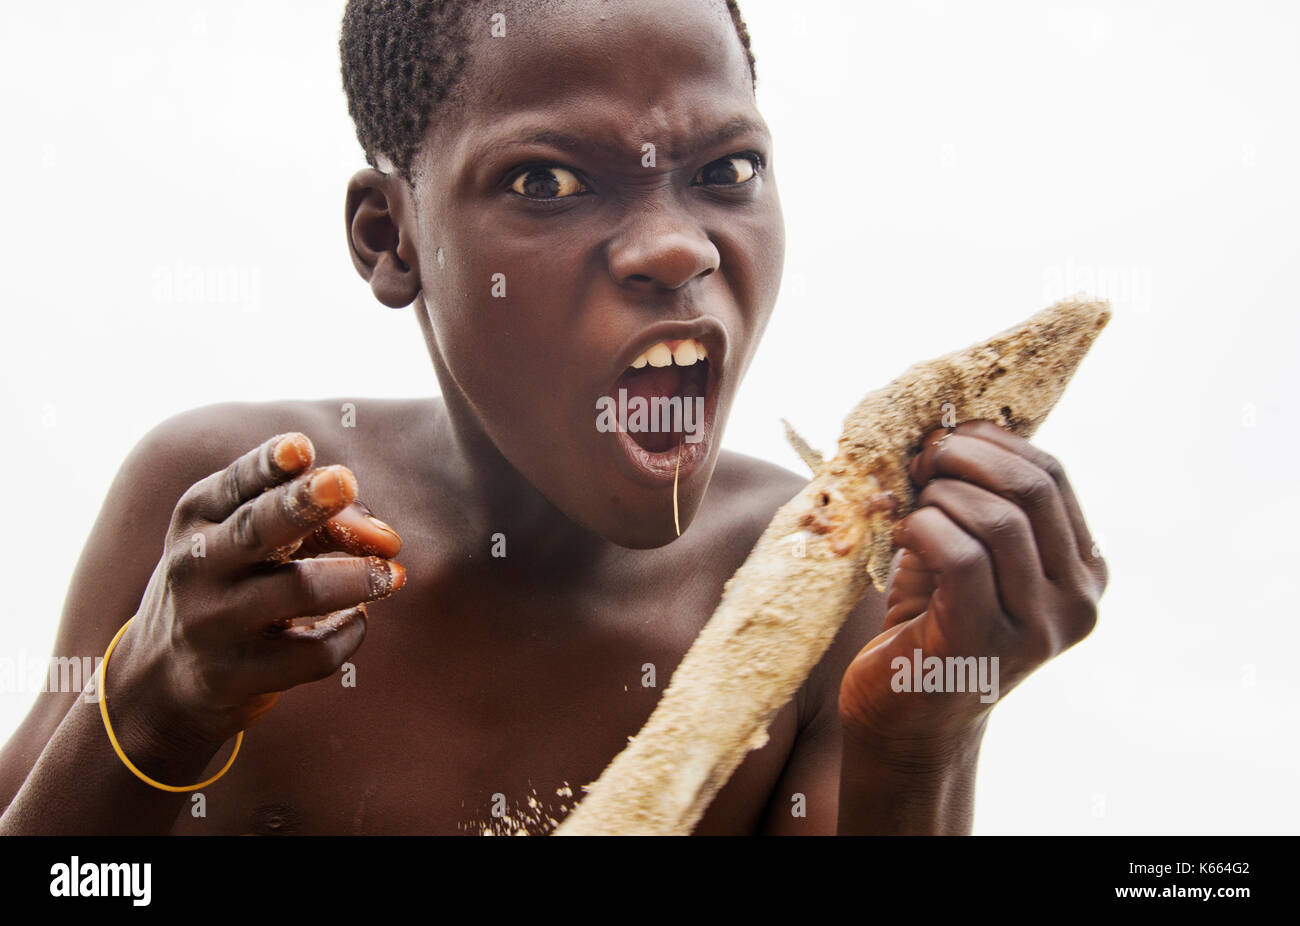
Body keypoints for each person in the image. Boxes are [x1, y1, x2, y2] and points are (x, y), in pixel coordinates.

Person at [0, 0, 1106, 835]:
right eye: (546, 183)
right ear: (391, 238)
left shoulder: (852, 611)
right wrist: (149, 716)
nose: (679, 248)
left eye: (728, 167)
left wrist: (922, 740)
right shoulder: (226, 532)